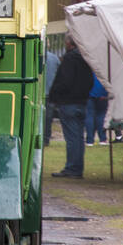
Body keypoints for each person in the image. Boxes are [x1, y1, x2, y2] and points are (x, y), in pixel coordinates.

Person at [49, 35, 94, 178]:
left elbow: (65, 81)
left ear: (70, 44)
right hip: (81, 101)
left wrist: (55, 95)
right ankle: (77, 167)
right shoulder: (86, 59)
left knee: (72, 138)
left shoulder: (69, 59)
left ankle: (73, 168)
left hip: (69, 102)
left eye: (66, 42)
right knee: (79, 138)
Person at [43, 46, 61, 147]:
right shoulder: (55, 58)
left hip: (40, 91)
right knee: (48, 118)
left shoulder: (37, 56)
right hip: (50, 93)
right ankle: (46, 138)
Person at [86, 72, 109, 145]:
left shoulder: (90, 64)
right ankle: (102, 139)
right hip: (103, 92)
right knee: (101, 115)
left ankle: (89, 140)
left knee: (89, 115)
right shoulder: (104, 65)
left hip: (89, 91)